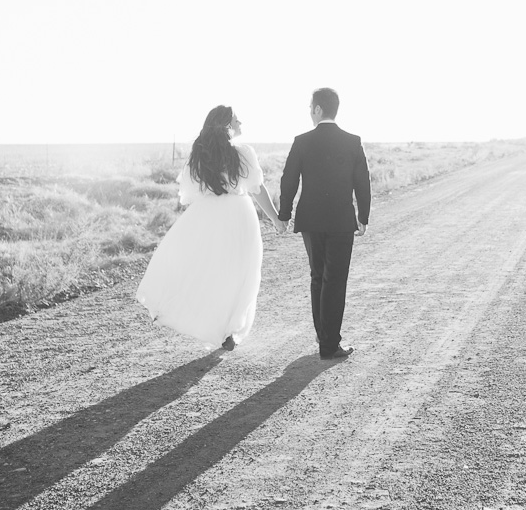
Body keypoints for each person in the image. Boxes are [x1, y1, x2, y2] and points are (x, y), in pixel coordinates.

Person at [136, 105, 283, 349]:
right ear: (227, 125)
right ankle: (230, 329)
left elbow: (189, 194)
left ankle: (215, 326)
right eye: (236, 120)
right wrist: (275, 218)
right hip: (239, 214)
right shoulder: (244, 153)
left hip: (208, 214)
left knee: (210, 271)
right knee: (241, 273)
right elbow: (257, 189)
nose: (240, 123)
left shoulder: (199, 155)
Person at [278, 88, 371, 360]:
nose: (310, 112)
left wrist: (284, 214)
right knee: (335, 280)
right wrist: (363, 216)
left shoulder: (301, 141)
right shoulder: (352, 142)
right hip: (341, 219)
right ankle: (329, 344)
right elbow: (362, 182)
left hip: (311, 218)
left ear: (318, 109)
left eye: (311, 107)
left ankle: (323, 336)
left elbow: (288, 179)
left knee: (318, 276)